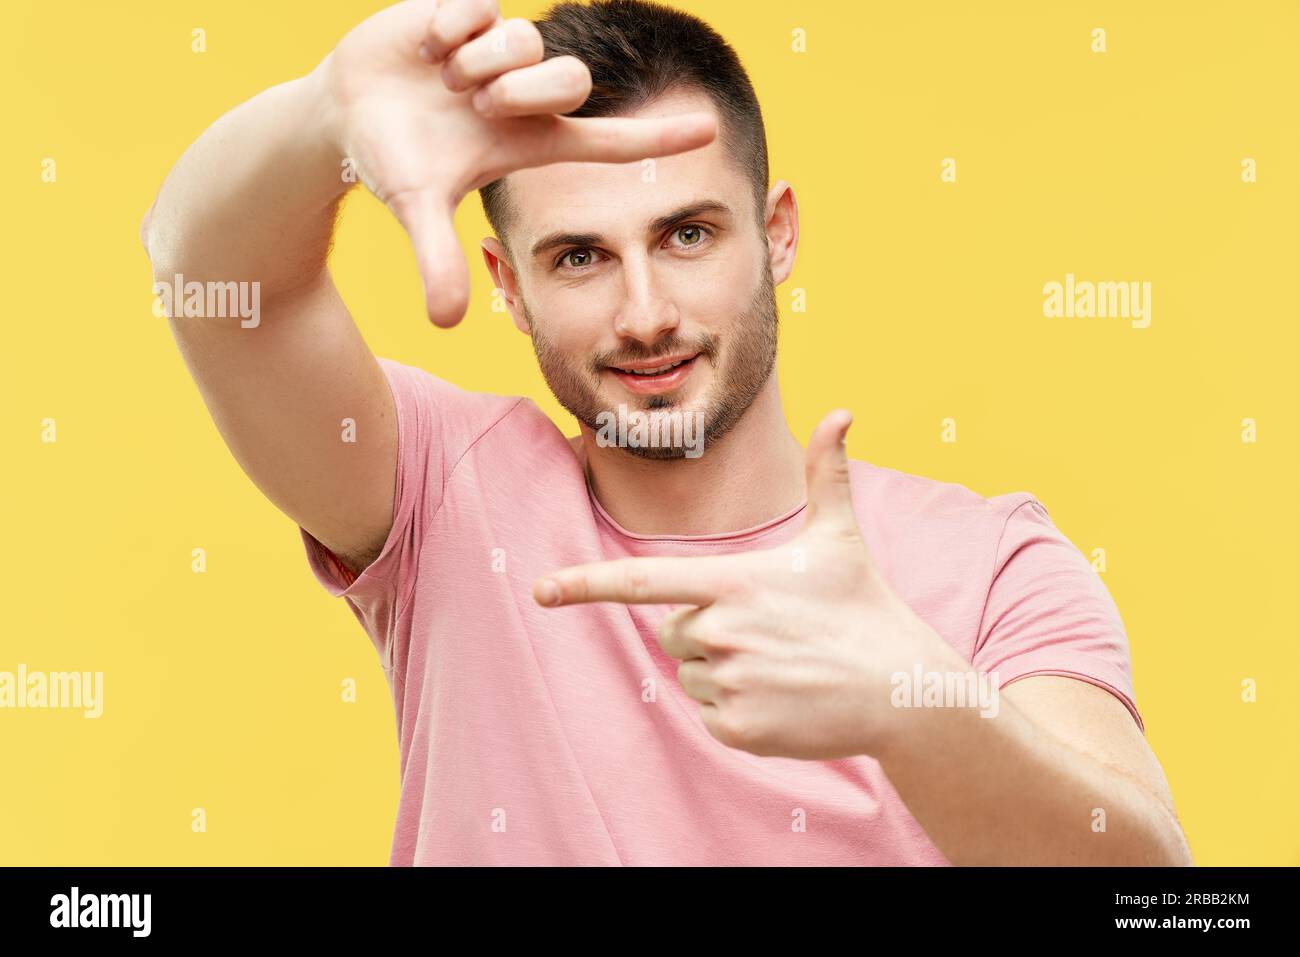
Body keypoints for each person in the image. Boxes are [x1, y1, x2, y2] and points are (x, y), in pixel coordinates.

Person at [141, 0, 1192, 866]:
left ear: (775, 234)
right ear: (508, 285)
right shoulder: (440, 494)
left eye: (687, 235)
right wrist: (323, 117)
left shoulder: (989, 562)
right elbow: (214, 283)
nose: (644, 313)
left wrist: (909, 706)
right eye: (580, 258)